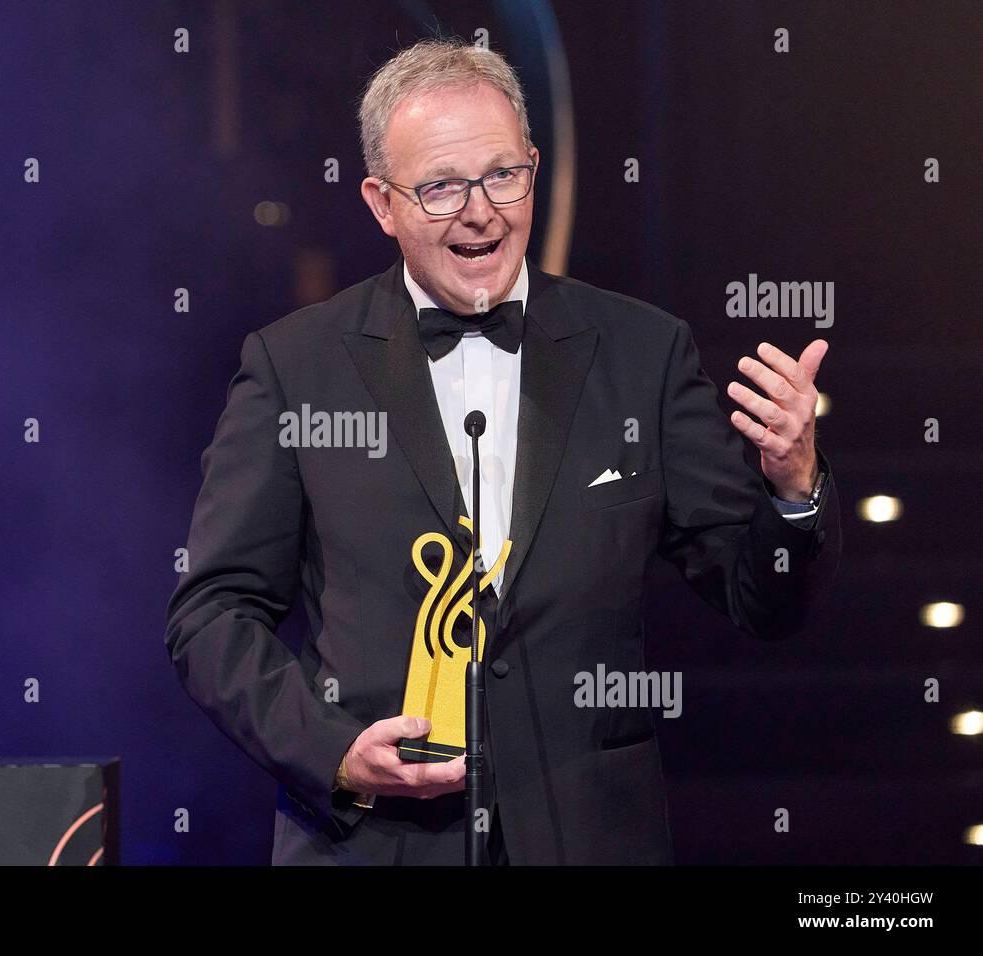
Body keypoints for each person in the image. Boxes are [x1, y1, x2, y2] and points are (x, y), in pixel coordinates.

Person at [165, 37, 841, 865]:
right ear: (381, 203)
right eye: (442, 188)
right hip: (375, 843)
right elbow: (212, 614)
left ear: (533, 167)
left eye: (501, 176)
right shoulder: (293, 365)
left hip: (588, 839)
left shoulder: (642, 353)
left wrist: (793, 488)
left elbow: (761, 601)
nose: (481, 211)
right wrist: (333, 753)